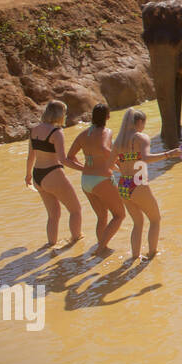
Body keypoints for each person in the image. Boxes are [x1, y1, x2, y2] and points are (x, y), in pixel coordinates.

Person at [113, 107, 182, 261]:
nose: (143, 127)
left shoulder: (118, 141)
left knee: (137, 223)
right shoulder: (141, 138)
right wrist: (169, 154)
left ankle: (135, 256)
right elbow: (145, 158)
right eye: (143, 123)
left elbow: (109, 163)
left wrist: (124, 169)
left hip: (123, 183)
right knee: (155, 219)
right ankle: (152, 254)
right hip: (138, 182)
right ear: (138, 122)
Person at [66, 103, 126, 253]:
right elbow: (105, 149)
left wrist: (84, 168)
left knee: (102, 216)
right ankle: (100, 248)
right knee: (119, 215)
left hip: (86, 181)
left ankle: (103, 247)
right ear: (108, 116)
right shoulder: (107, 131)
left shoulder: (83, 134)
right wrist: (120, 165)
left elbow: (70, 157)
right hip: (102, 180)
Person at [25, 99, 84, 249]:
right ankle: (76, 243)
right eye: (64, 113)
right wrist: (85, 169)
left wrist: (28, 176)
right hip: (53, 173)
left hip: (38, 175)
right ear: (59, 115)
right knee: (76, 210)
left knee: (53, 215)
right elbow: (63, 159)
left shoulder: (33, 130)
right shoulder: (56, 132)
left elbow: (30, 156)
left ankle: (51, 245)